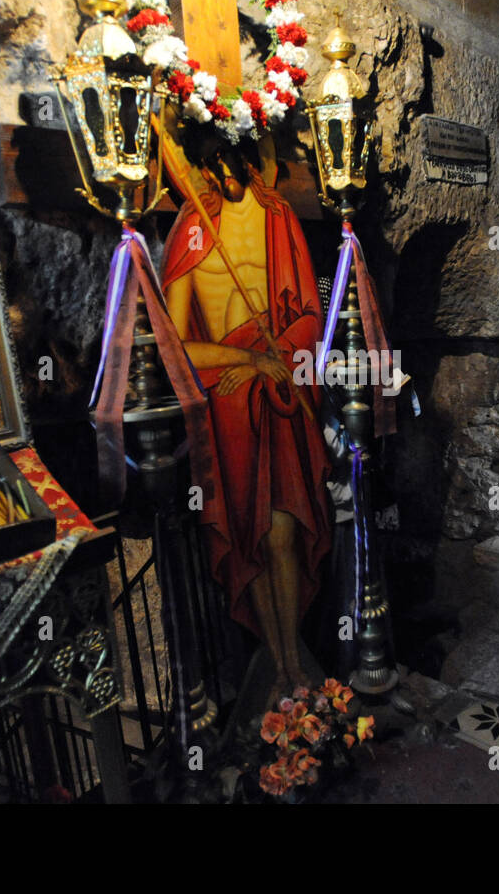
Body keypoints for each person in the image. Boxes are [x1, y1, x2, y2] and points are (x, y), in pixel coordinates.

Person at [163, 149, 332, 705]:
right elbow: (175, 345)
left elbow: (309, 312)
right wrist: (245, 361)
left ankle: (293, 655)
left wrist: (277, 355)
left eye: (236, 159)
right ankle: (279, 663)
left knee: (285, 529)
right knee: (252, 535)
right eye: (213, 163)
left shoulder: (277, 215)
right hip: (229, 399)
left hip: (281, 390)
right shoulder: (191, 230)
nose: (226, 174)